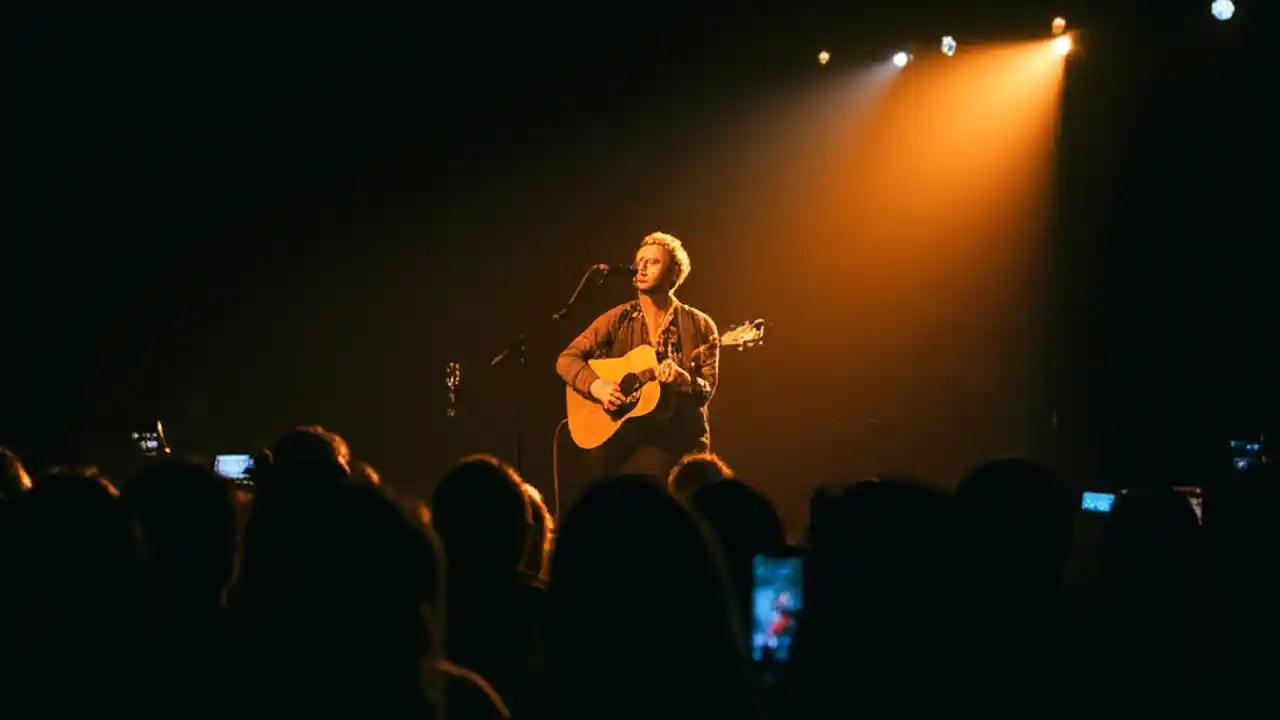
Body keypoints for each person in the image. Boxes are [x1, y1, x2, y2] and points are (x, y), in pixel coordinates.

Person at [557, 232, 720, 481]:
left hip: (679, 443)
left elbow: (706, 391)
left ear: (674, 273)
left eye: (653, 262)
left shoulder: (700, 326)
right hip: (624, 441)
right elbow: (566, 359)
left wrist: (684, 380)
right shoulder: (618, 319)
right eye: (639, 261)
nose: (641, 267)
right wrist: (597, 386)